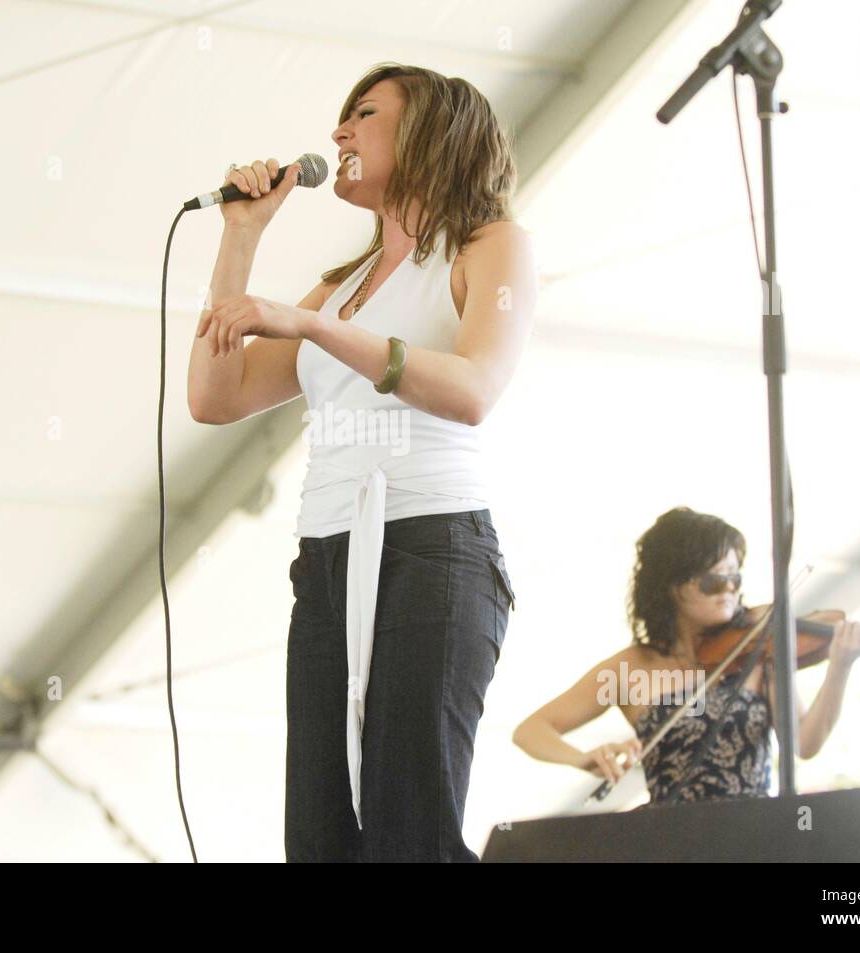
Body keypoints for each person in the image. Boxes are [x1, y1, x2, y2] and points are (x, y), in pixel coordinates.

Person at [188, 62, 536, 861]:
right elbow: (217, 394)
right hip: (328, 559)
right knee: (318, 837)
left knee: (407, 828)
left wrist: (310, 327)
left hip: (433, 547)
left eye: (364, 115)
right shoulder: (340, 285)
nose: (338, 133)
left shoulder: (490, 246)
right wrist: (241, 236)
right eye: (341, 119)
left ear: (432, 132)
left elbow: (475, 386)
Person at [512, 507, 860, 803]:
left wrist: (839, 667)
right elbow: (531, 730)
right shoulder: (630, 670)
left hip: (753, 839)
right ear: (672, 585)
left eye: (735, 579)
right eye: (714, 581)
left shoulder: (758, 650)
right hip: (670, 841)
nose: (729, 590)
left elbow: (805, 743)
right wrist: (582, 758)